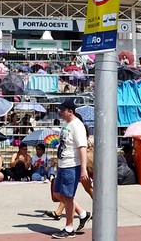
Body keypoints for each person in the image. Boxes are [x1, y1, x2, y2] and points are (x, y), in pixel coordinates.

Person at [50, 100, 91, 239]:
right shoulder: (67, 124)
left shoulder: (77, 126)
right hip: (63, 164)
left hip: (72, 165)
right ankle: (82, 213)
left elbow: (82, 148)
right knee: (57, 193)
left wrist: (83, 169)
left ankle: (69, 228)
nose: (60, 112)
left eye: (63, 110)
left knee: (68, 197)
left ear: (70, 111)